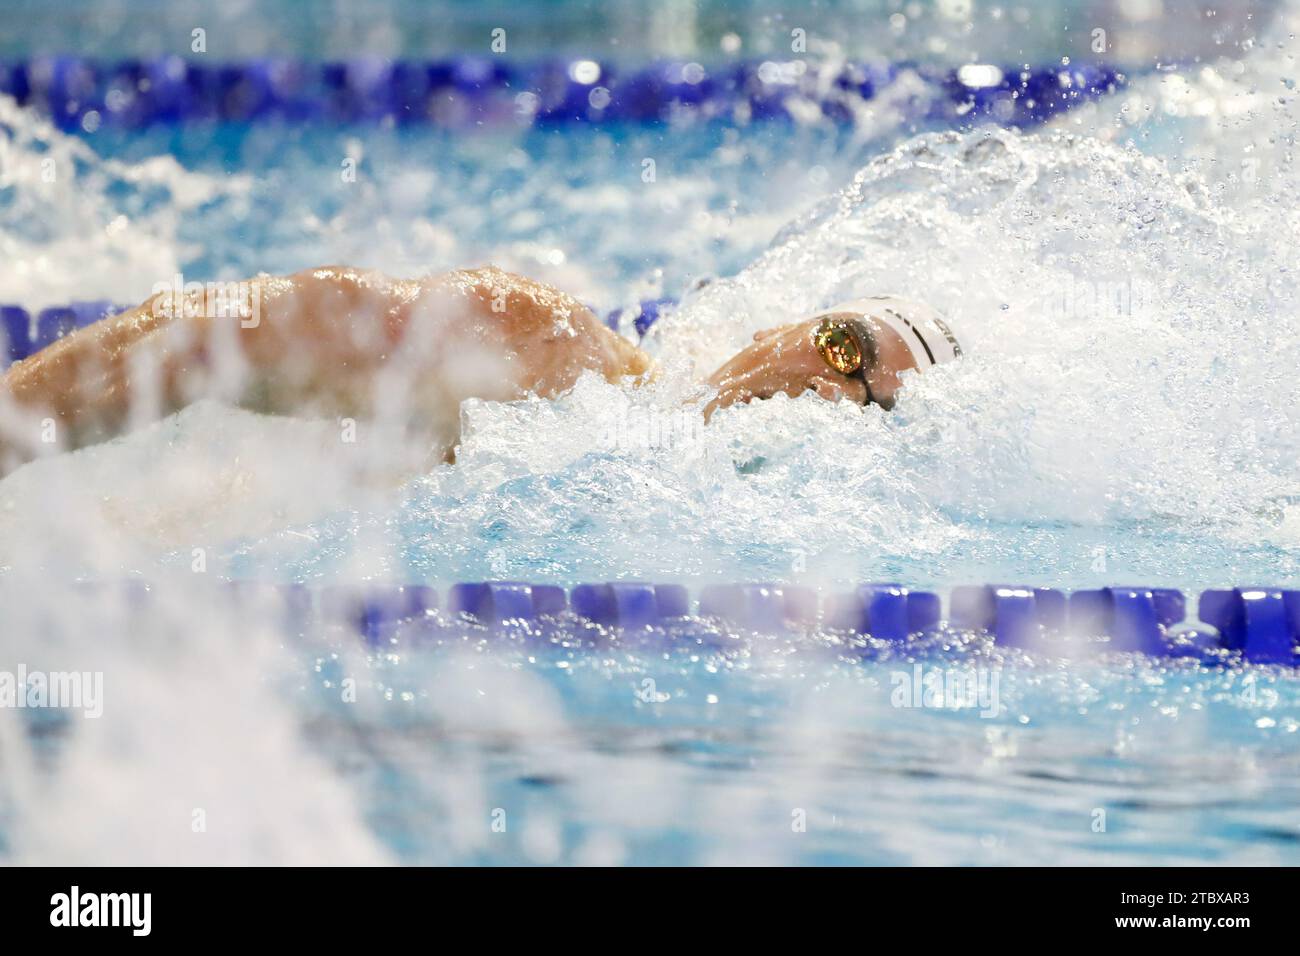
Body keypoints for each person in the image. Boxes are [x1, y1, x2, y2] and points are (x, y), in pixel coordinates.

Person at [0, 266, 960, 472]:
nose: (826, 383)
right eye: (843, 343)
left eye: (862, 399)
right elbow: (210, 331)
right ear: (784, 325)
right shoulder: (547, 347)